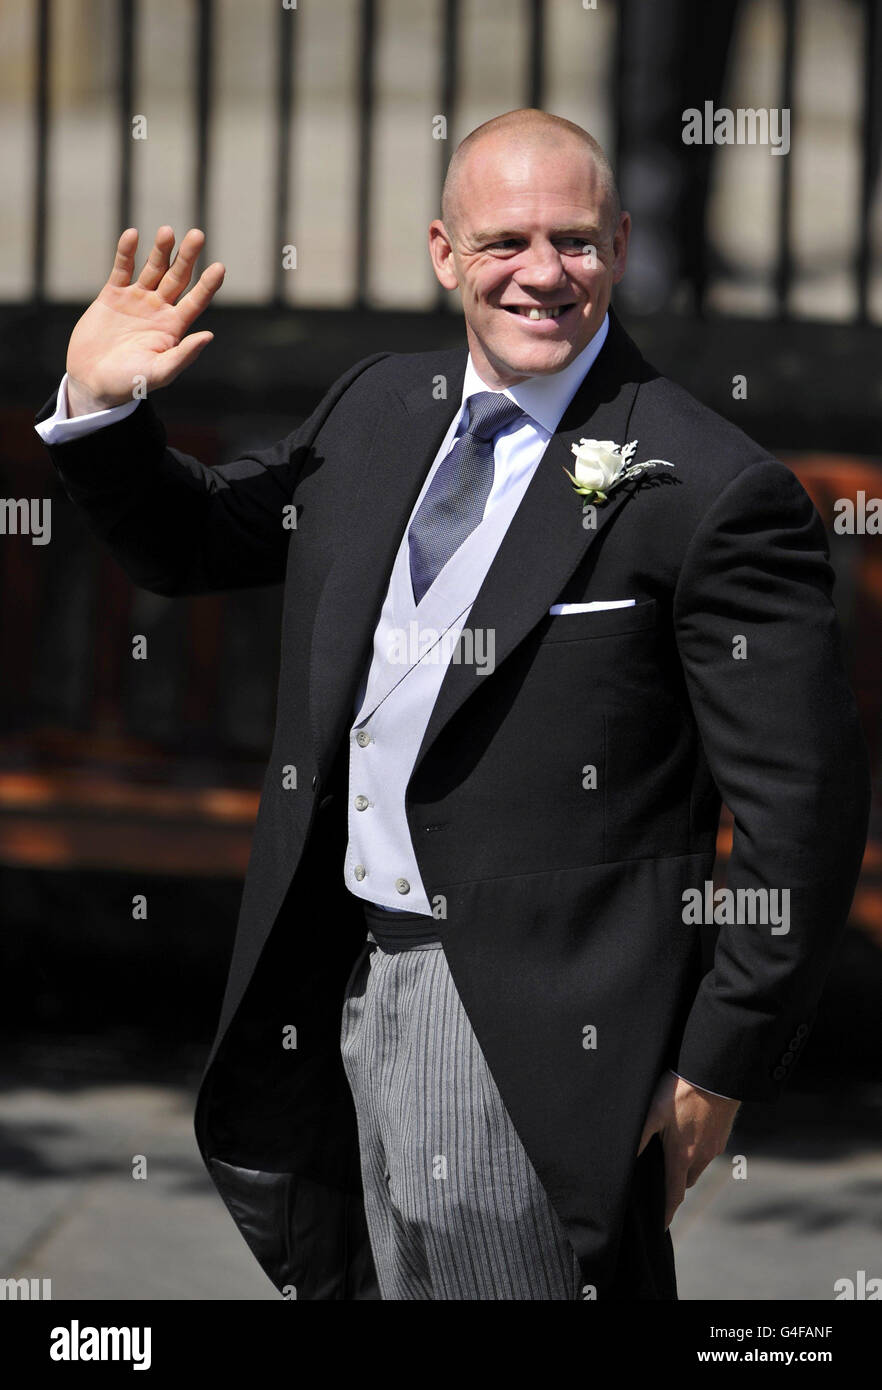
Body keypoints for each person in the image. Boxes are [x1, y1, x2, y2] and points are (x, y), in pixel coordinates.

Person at [34, 109, 870, 1301]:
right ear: (442, 252)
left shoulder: (711, 490)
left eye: (575, 240)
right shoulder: (382, 405)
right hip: (343, 976)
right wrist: (103, 407)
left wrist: (718, 1063)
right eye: (505, 242)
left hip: (533, 1027)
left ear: (623, 246)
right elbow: (197, 538)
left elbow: (805, 808)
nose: (543, 273)